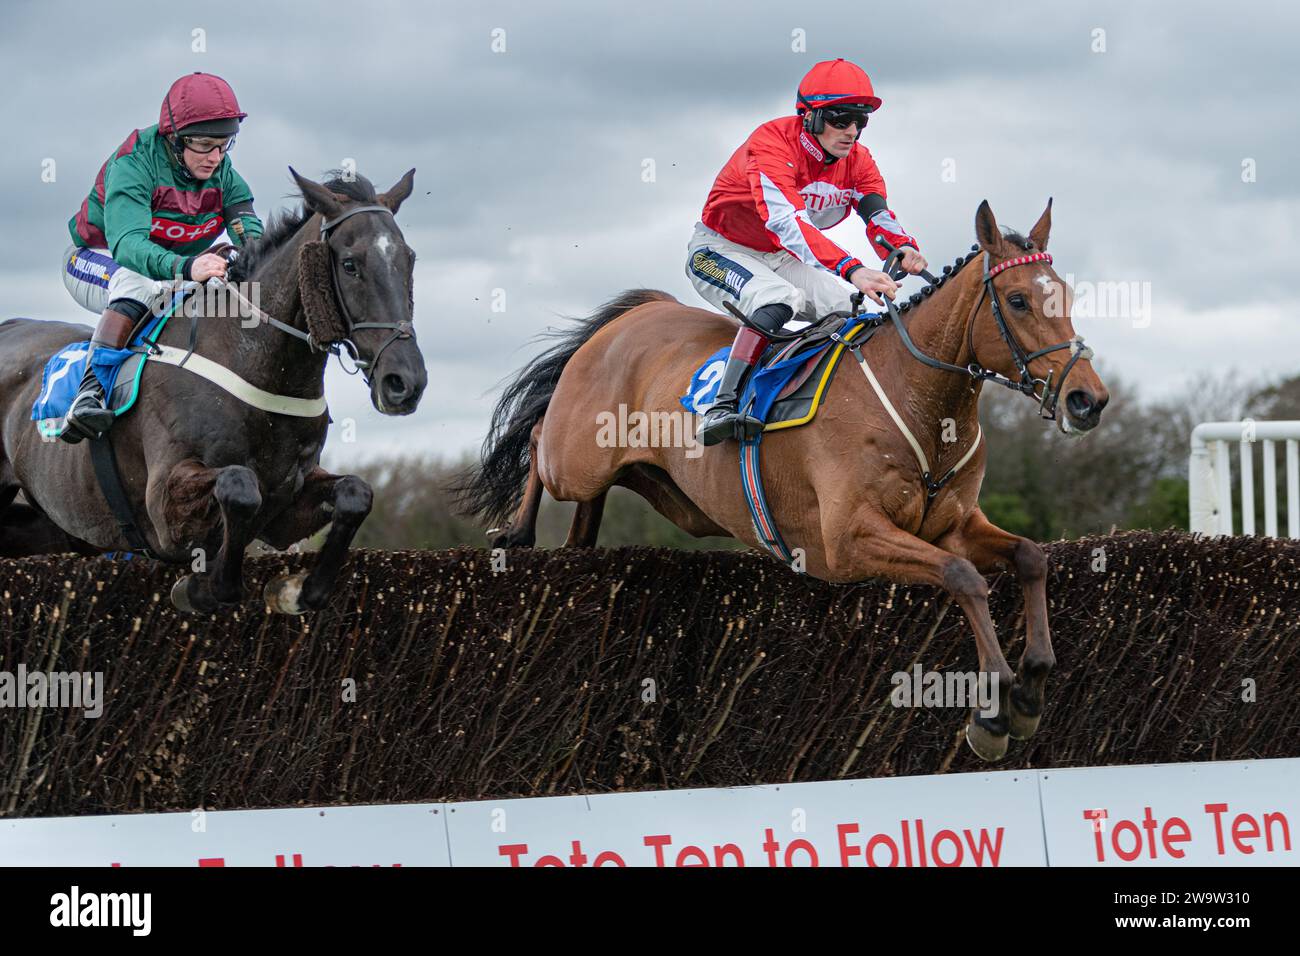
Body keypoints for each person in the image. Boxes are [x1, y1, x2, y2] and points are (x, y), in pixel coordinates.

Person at [686, 58, 929, 446]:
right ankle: (722, 405)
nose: (852, 132)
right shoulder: (769, 144)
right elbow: (788, 226)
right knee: (780, 298)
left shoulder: (859, 161)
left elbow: (878, 213)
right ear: (810, 116)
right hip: (719, 249)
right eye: (841, 118)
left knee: (848, 307)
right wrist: (853, 268)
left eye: (860, 121)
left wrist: (901, 246)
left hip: (780, 258)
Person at [59, 71, 263, 443]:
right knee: (137, 282)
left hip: (168, 270)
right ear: (174, 139)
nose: (215, 158)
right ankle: (90, 391)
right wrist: (187, 266)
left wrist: (252, 255)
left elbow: (248, 228)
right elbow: (129, 248)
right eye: (203, 145)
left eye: (223, 144)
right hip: (95, 258)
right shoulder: (134, 163)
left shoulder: (222, 169)